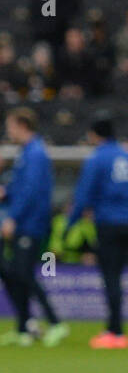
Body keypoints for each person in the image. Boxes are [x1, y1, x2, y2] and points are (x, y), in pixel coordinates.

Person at [64, 118, 128, 348]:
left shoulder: (97, 157)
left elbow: (83, 194)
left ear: (94, 135)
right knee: (117, 277)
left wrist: (70, 223)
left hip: (108, 223)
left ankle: (115, 332)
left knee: (110, 278)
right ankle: (115, 328)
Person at [0, 108, 67, 346]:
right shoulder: (27, 152)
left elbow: (30, 192)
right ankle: (23, 327)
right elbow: (21, 188)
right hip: (25, 222)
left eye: (10, 126)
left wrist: (12, 218)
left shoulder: (35, 153)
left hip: (31, 223)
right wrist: (6, 192)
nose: (8, 131)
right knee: (15, 274)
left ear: (21, 125)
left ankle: (56, 323)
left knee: (23, 274)